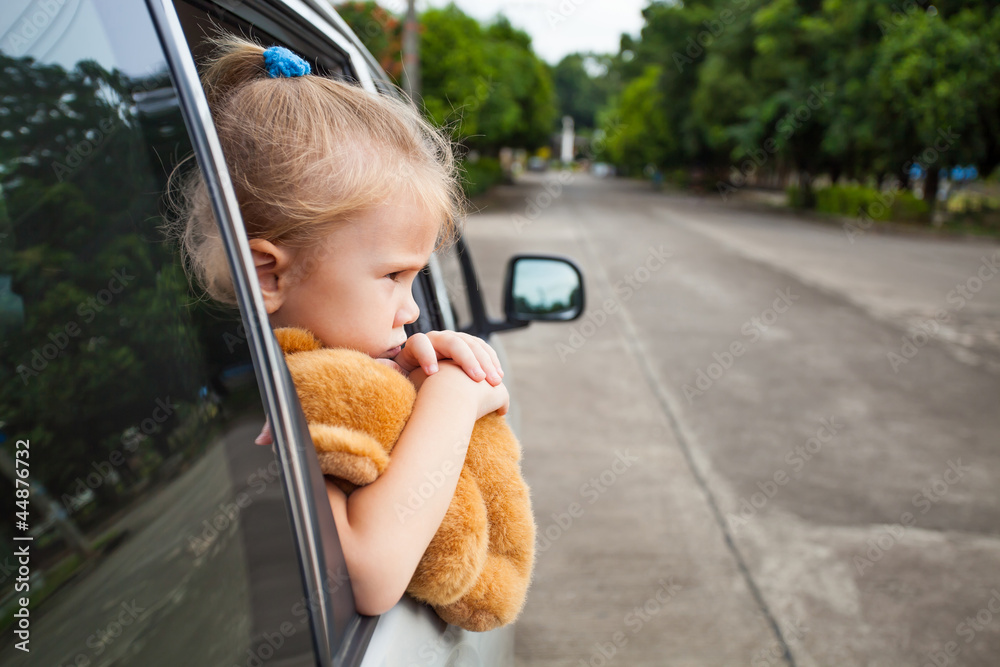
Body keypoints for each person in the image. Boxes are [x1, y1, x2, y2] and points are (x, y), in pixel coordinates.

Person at [166, 35, 510, 616]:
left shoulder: (341, 373)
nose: (414, 310)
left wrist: (412, 382)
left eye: (416, 279)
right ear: (268, 276)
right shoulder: (288, 397)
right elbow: (370, 577)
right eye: (394, 276)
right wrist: (452, 396)